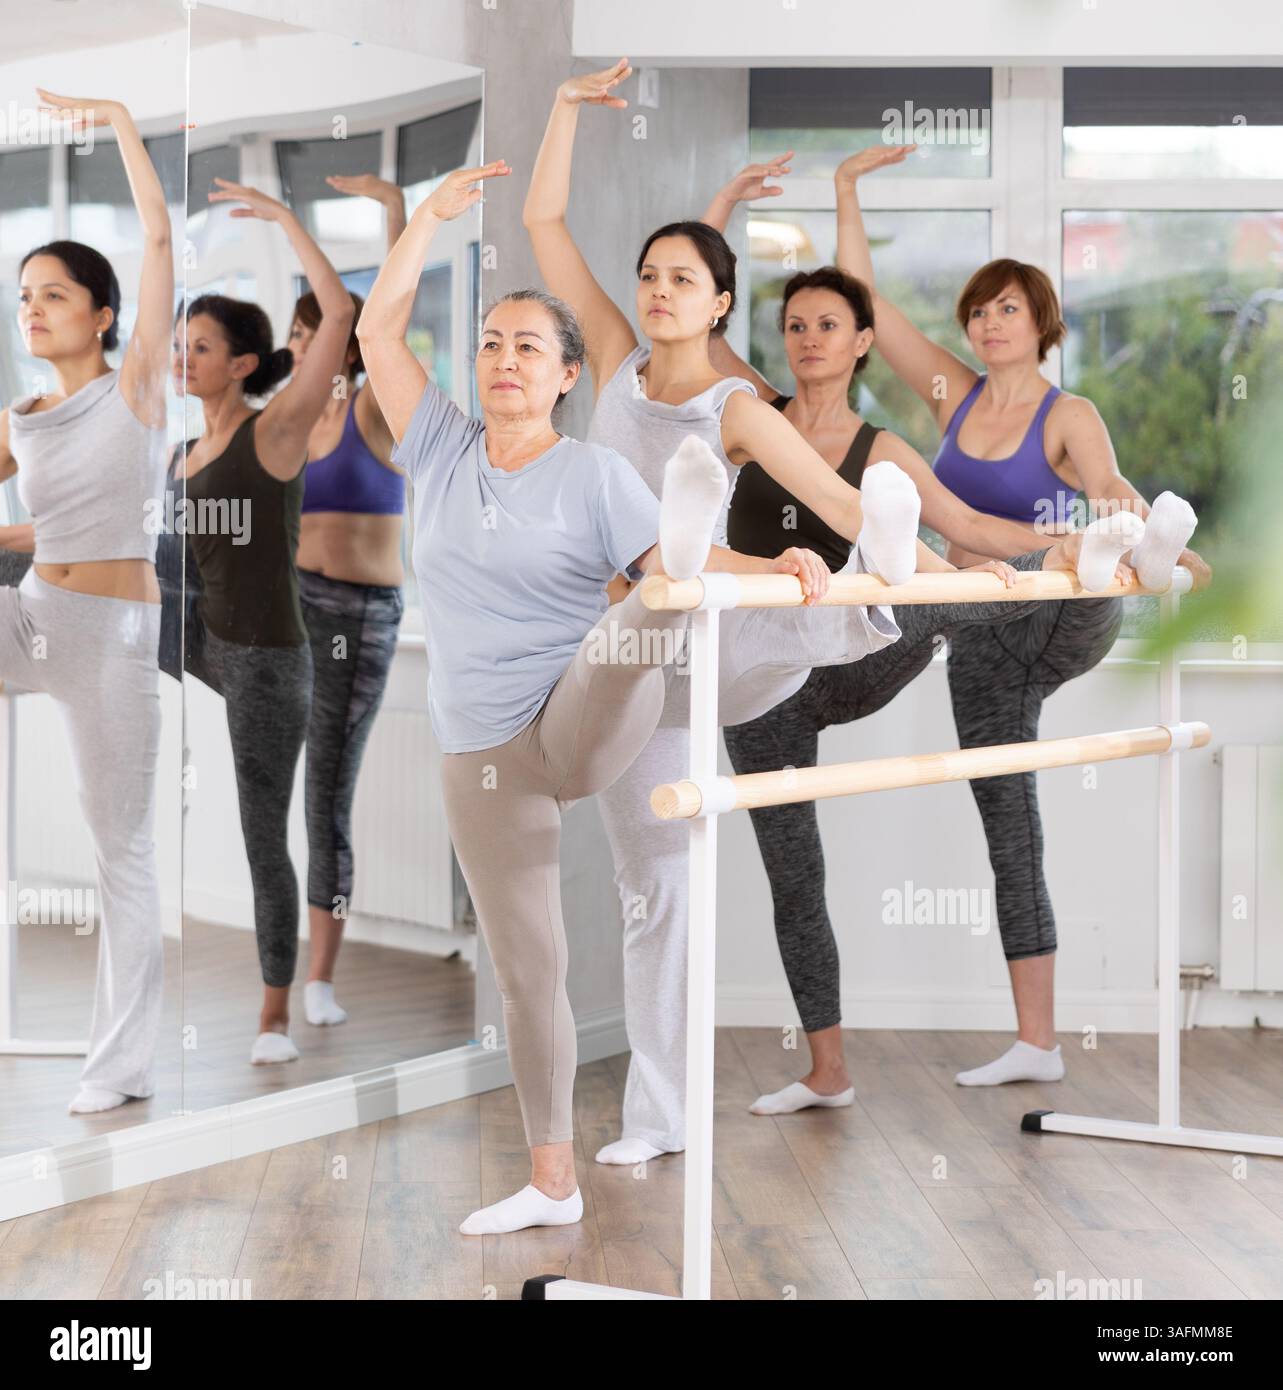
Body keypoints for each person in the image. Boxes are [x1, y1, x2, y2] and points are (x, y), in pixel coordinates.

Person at [359, 159, 917, 1235]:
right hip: (481, 755)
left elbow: (691, 577)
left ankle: (794, 568)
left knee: (656, 594)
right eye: (491, 342)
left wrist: (780, 566)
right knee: (531, 972)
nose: (506, 359)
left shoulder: (595, 471)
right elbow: (380, 338)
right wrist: (423, 219)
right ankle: (551, 1183)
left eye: (530, 345)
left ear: (570, 374)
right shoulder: (438, 451)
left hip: (582, 717)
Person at [523, 58, 1026, 1165]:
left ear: (715, 304)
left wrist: (950, 571)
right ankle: (657, 1116)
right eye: (646, 274)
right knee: (651, 891)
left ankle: (761, 562)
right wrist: (563, 108)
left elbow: (844, 499)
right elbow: (542, 215)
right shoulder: (606, 363)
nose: (656, 291)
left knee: (792, 575)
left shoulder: (739, 405)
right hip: (624, 651)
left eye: (680, 279)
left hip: (724, 639)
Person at [719, 140, 1209, 1096]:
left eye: (1008, 311)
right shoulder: (948, 394)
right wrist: (845, 192)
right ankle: (1037, 1040)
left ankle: (1110, 559)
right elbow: (861, 307)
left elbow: (1104, 483)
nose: (988, 325)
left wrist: (1152, 548)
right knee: (1007, 811)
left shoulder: (1068, 413)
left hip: (1055, 610)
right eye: (978, 311)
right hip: (977, 627)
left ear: (1042, 326)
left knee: (983, 581)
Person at [0, 90, 171, 1113]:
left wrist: (118, 116)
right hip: (31, 616)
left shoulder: (137, 386)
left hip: (111, 637)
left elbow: (154, 231)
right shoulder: (19, 415)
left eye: (55, 294)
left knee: (123, 850)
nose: (34, 307)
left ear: (102, 314)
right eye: (25, 295)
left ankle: (121, 1063)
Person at [164, 177, 355, 1065]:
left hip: (270, 660)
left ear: (241, 362)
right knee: (102, 556)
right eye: (179, 344)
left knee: (259, 831)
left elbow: (342, 315)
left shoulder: (274, 431)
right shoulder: (179, 449)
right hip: (198, 632)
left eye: (199, 346)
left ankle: (274, 1011)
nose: (182, 356)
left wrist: (285, 221)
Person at [291, 171, 409, 1029]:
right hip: (288, 610)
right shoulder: (285, 423)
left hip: (358, 619)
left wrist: (397, 215)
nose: (309, 344)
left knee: (326, 794)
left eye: (321, 331)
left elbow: (387, 313)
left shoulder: (376, 408)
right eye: (299, 334)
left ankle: (319, 977)